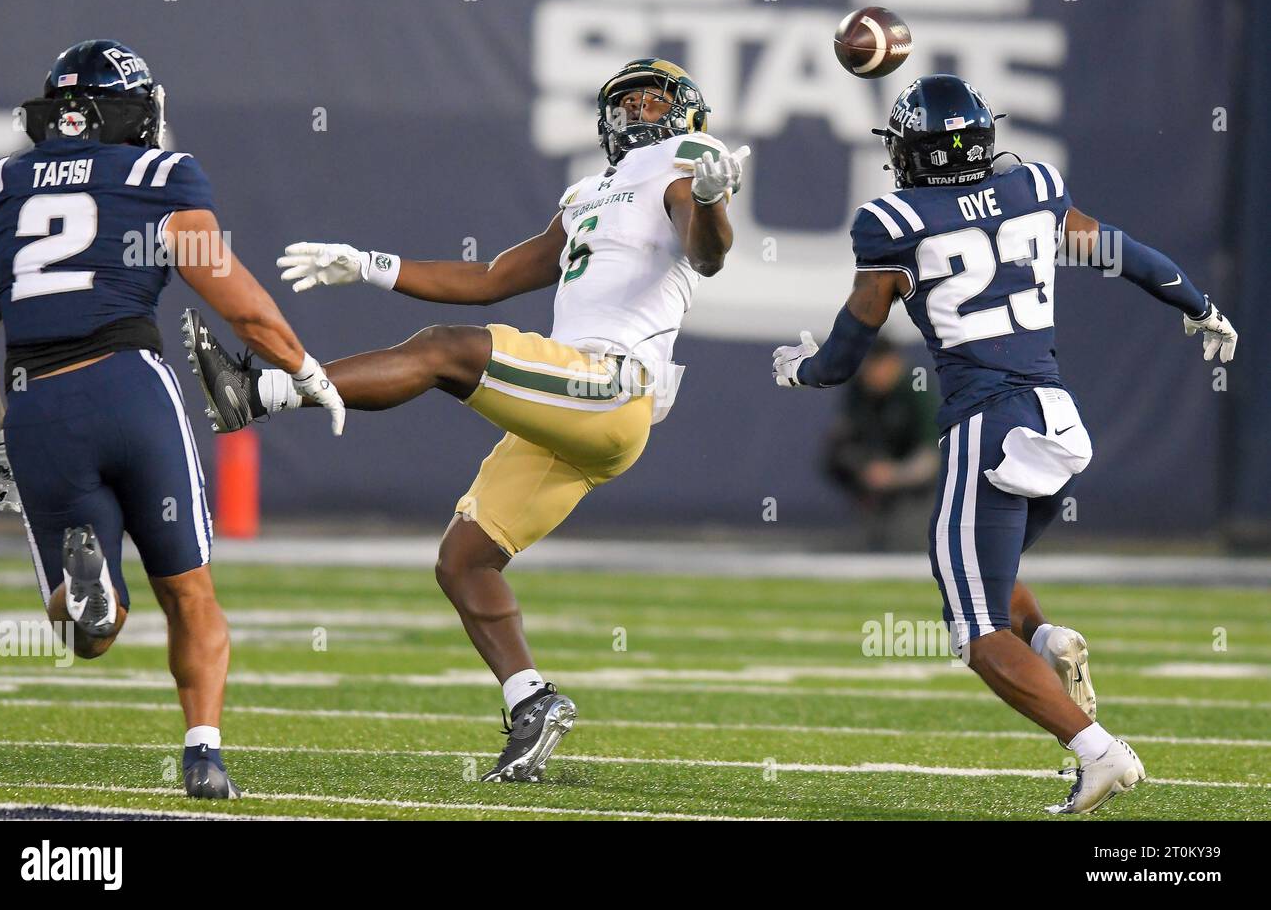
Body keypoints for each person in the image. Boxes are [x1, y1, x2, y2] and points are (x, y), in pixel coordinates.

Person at [183, 58, 748, 782]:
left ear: (685, 113)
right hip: (574, 406)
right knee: (464, 560)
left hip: (613, 380)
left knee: (443, 353)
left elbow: (708, 256)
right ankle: (532, 702)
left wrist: (713, 205)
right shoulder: (588, 191)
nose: (638, 111)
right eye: (626, 100)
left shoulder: (688, 158)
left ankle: (261, 392)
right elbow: (488, 280)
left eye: (653, 99)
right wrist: (367, 264)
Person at [771, 74, 1237, 815]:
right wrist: (1200, 303)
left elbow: (845, 352)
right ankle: (1049, 636)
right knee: (994, 580)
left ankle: (1100, 752)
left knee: (975, 631)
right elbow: (1122, 252)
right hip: (1056, 417)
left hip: (987, 425)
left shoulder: (892, 222)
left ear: (913, 154)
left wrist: (799, 369)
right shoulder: (1035, 188)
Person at [0, 39, 344, 799]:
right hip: (130, 389)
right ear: (132, 111)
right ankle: (203, 753)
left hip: (38, 400)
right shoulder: (157, 177)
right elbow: (237, 300)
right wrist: (307, 371)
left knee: (86, 637)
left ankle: (91, 589)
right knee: (191, 590)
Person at [821, 338, 937, 549]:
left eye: (876, 367)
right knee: (836, 456)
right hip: (874, 471)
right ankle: (870, 523)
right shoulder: (859, 389)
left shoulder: (918, 388)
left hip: (916, 481)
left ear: (894, 363)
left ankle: (913, 530)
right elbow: (844, 438)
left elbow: (932, 457)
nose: (871, 375)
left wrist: (894, 474)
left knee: (908, 541)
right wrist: (864, 467)